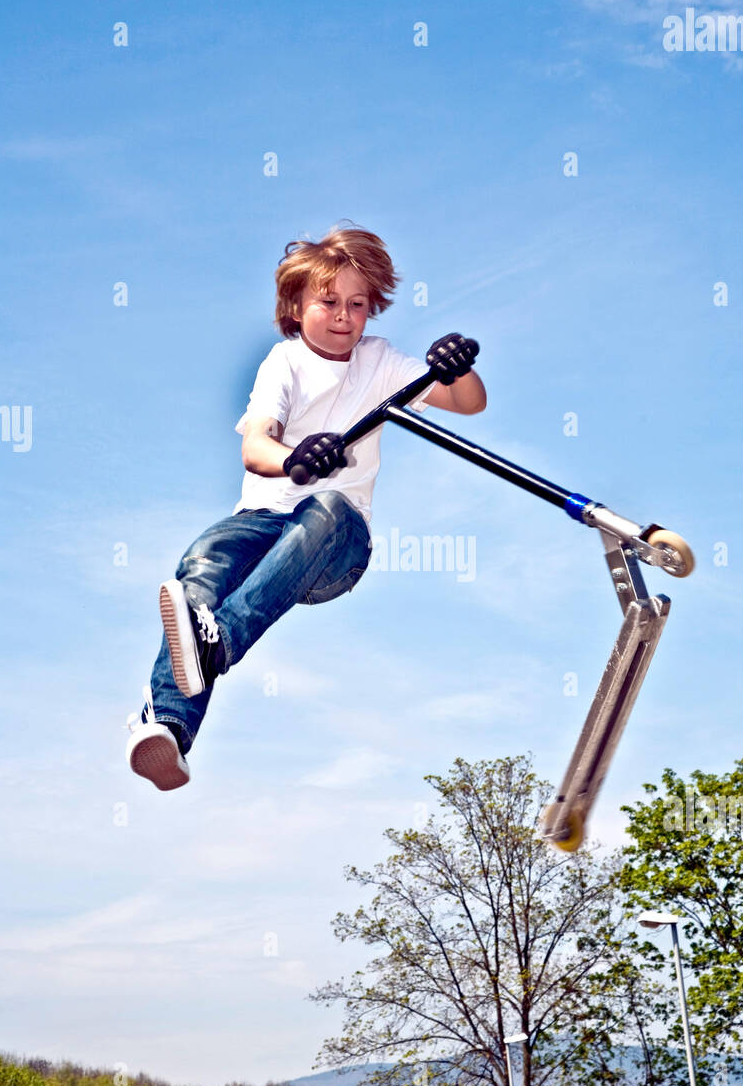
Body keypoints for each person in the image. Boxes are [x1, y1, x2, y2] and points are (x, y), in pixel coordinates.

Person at [126, 223, 485, 789]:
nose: (344, 316)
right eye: (328, 302)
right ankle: (169, 727)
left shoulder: (382, 362)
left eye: (357, 305)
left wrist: (458, 369)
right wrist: (296, 458)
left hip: (334, 546)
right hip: (263, 523)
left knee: (329, 505)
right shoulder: (283, 363)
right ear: (296, 306)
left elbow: (468, 404)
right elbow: (256, 447)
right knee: (202, 564)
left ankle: (224, 639)